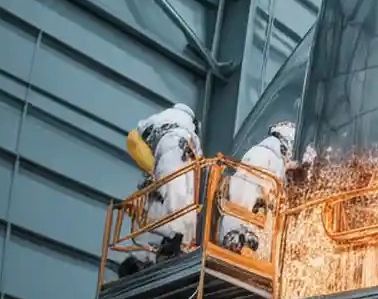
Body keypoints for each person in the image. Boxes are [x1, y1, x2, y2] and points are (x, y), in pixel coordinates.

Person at [120, 104, 202, 275]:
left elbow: (134, 140)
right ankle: (181, 243)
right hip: (183, 152)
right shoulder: (187, 128)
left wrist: (152, 170)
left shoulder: (157, 120)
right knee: (183, 201)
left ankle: (178, 242)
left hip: (170, 151)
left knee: (176, 196)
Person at [219, 121, 309, 256]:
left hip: (233, 223)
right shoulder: (274, 158)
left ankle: (234, 237)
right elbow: (275, 193)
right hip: (247, 228)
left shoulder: (255, 151)